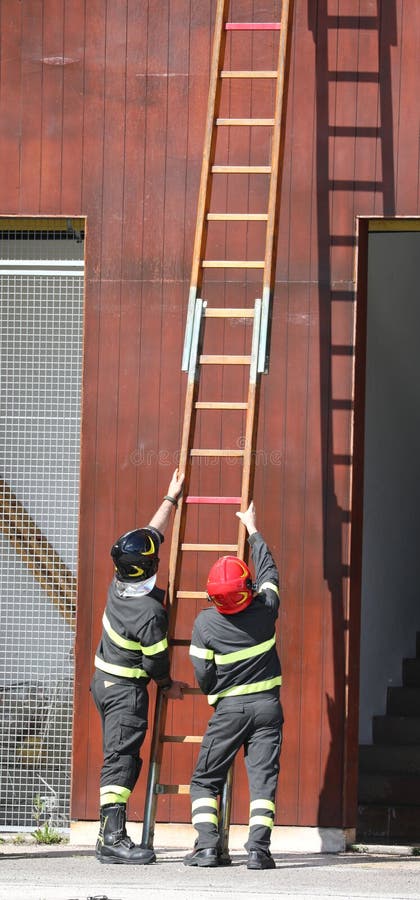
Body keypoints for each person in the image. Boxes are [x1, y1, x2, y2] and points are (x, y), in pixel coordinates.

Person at [91, 468, 188, 865]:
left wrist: (170, 498)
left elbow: (150, 534)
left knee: (123, 756)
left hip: (105, 683)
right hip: (125, 693)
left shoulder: (121, 583)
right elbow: (156, 661)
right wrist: (168, 685)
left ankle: (109, 834)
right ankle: (112, 839)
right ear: (148, 568)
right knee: (121, 758)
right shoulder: (149, 613)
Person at [184, 501, 283, 870]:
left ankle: (208, 847)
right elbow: (270, 572)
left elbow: (203, 674)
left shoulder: (205, 624)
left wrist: (216, 692)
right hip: (269, 709)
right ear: (248, 588)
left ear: (214, 596)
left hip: (229, 711)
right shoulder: (266, 608)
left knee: (205, 780)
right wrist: (253, 529)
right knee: (262, 782)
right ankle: (258, 851)